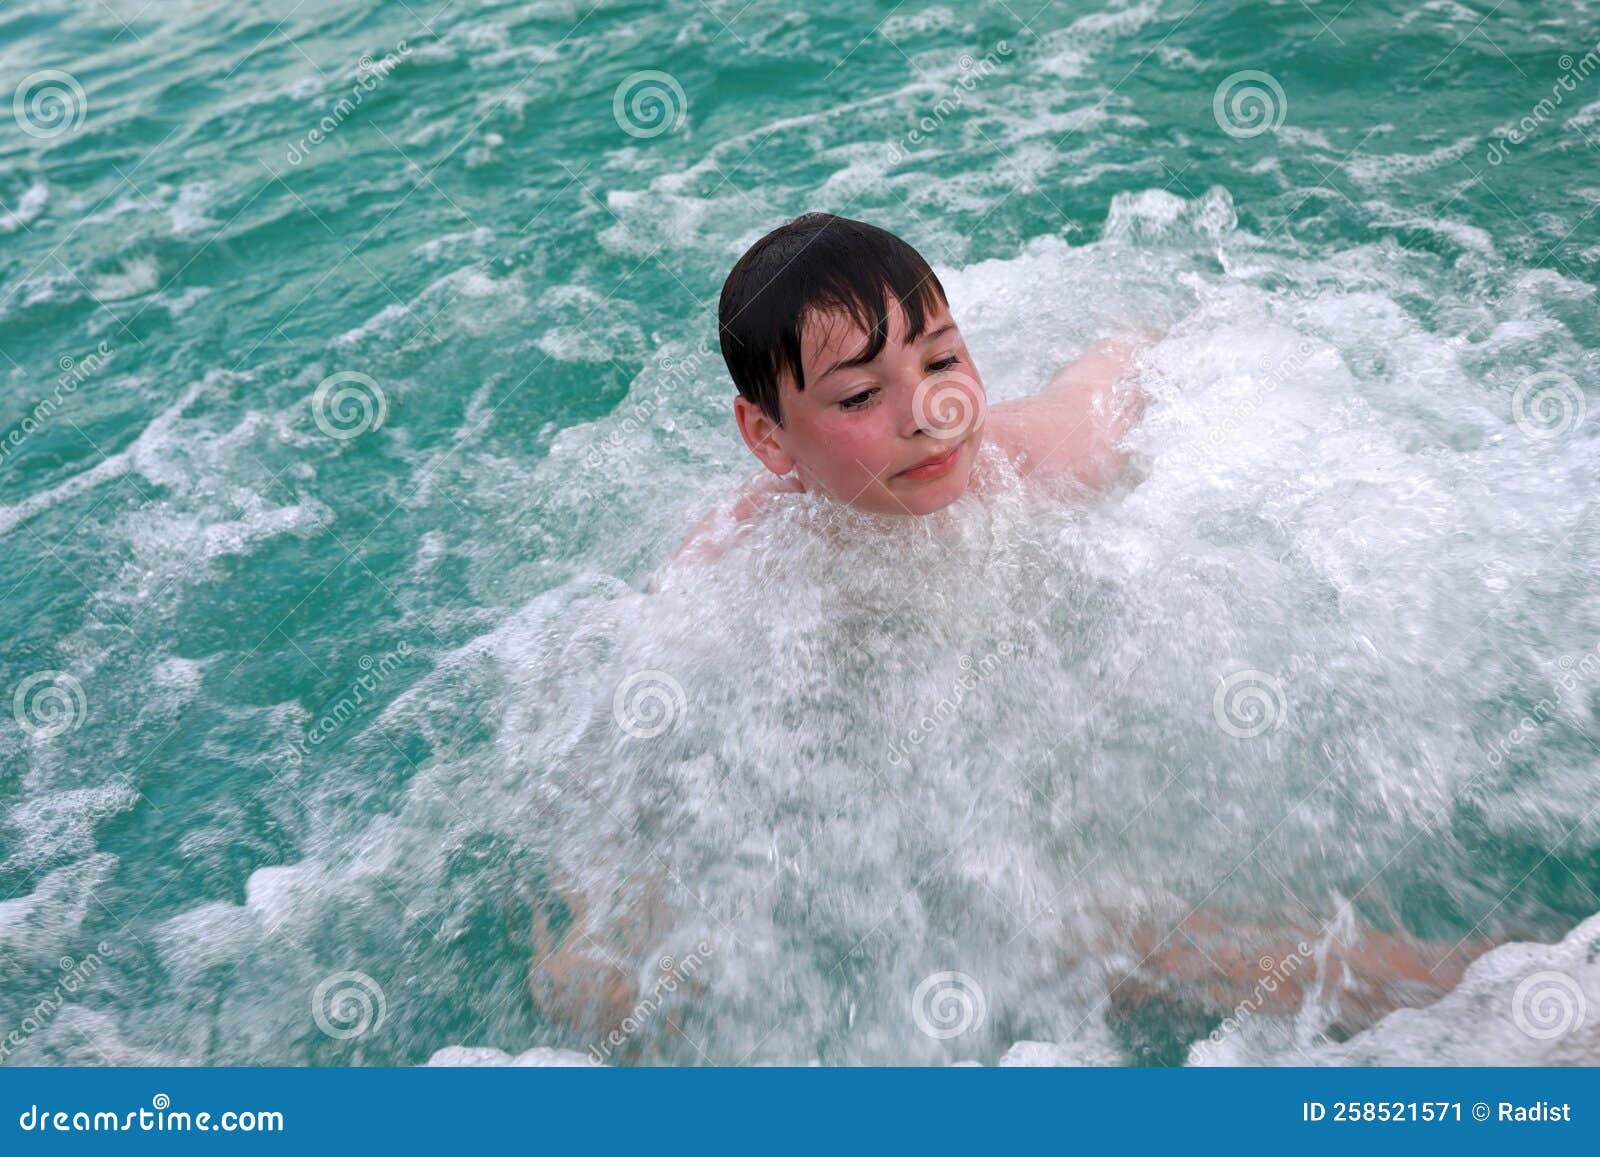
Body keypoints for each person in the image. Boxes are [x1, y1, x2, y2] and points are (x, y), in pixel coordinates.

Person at [658, 210, 1147, 574]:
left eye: (942, 362)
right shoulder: (730, 564)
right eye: (859, 395)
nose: (933, 413)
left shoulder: (1053, 462)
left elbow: (1129, 359)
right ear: (767, 435)